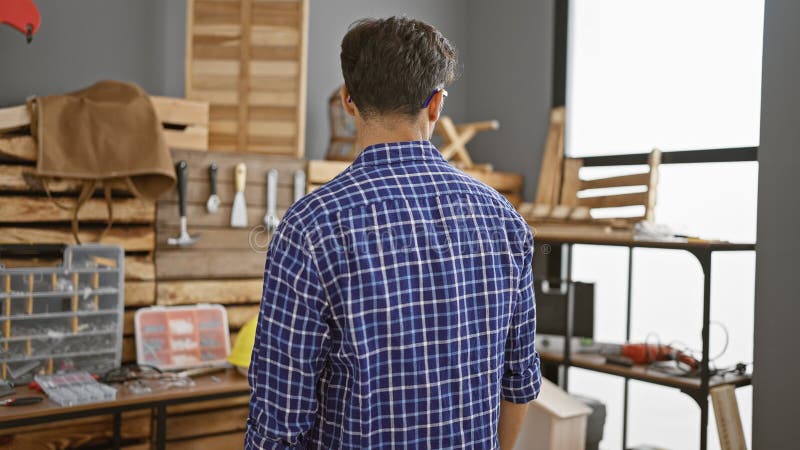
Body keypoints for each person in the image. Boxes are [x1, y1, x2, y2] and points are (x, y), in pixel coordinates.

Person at [246, 16, 540, 450]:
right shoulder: (505, 220)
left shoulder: (309, 228)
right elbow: (518, 384)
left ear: (349, 100)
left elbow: (279, 421)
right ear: (436, 104)